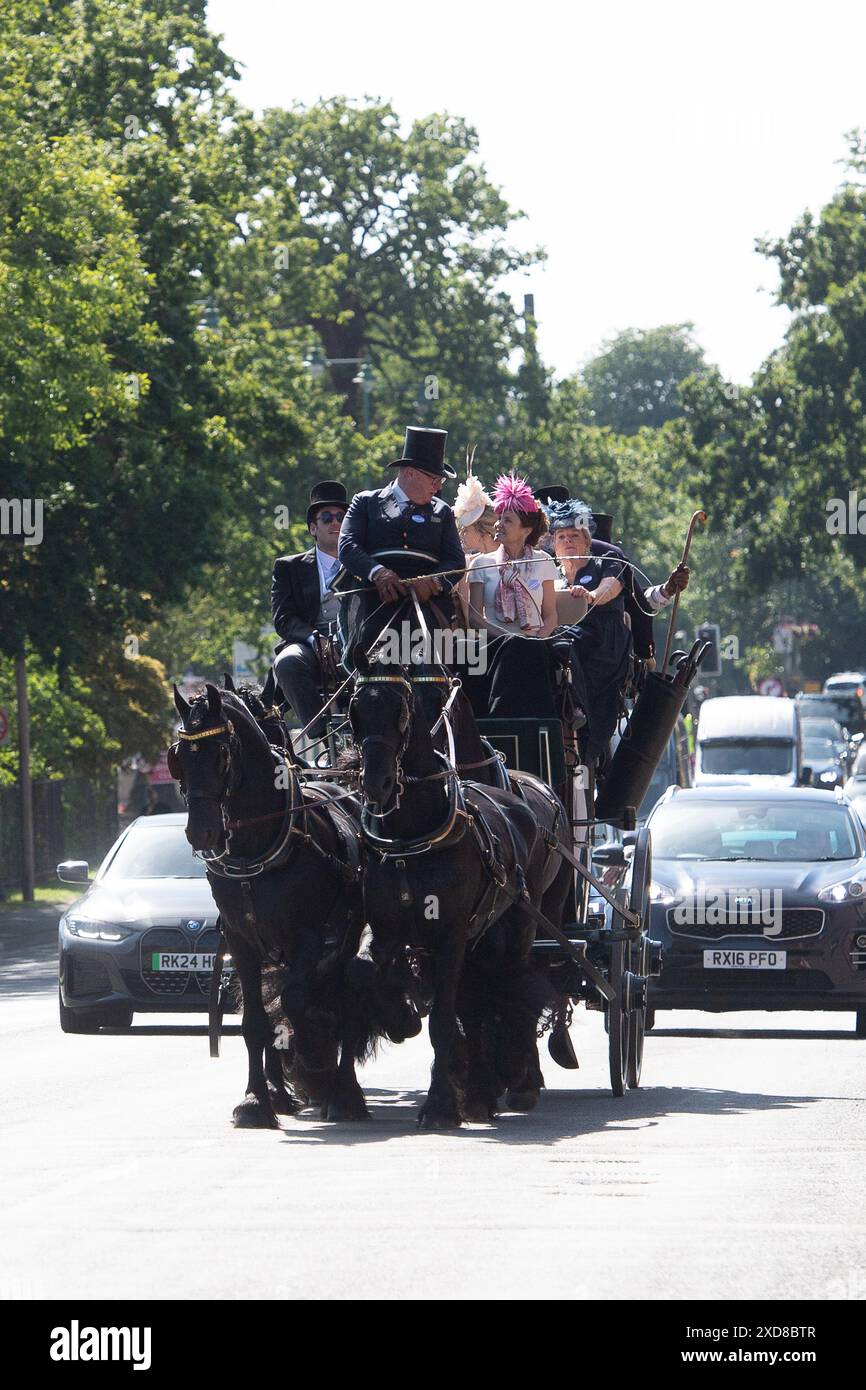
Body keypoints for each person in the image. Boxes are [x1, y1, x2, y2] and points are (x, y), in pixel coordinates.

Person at [336, 426, 465, 659]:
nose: (439, 487)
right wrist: (378, 573)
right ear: (410, 473)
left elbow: (455, 561)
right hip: (374, 600)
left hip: (427, 604)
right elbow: (347, 545)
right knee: (371, 656)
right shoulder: (366, 502)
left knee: (432, 662)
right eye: (435, 479)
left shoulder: (443, 512)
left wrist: (434, 582)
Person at [547, 497, 633, 767]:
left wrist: (590, 595)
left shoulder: (605, 562)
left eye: (574, 535)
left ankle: (577, 708)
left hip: (601, 643)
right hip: (563, 638)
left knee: (564, 643)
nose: (568, 541)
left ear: (586, 541)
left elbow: (610, 589)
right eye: (561, 536)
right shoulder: (548, 571)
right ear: (553, 544)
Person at [467, 473, 559, 717]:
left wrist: (533, 639)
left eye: (507, 520)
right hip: (493, 645)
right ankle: (498, 722)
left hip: (535, 644)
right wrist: (511, 640)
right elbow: (475, 619)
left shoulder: (543, 562)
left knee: (535, 655)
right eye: (499, 519)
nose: (498, 524)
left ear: (526, 529)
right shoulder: (481, 564)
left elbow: (550, 617)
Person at [271, 480, 348, 738]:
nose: (335, 523)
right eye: (327, 517)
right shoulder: (288, 567)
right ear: (313, 528)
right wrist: (314, 638)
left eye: (341, 516)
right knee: (287, 661)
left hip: (359, 640)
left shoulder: (366, 564)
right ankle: (322, 733)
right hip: (311, 645)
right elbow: (283, 619)